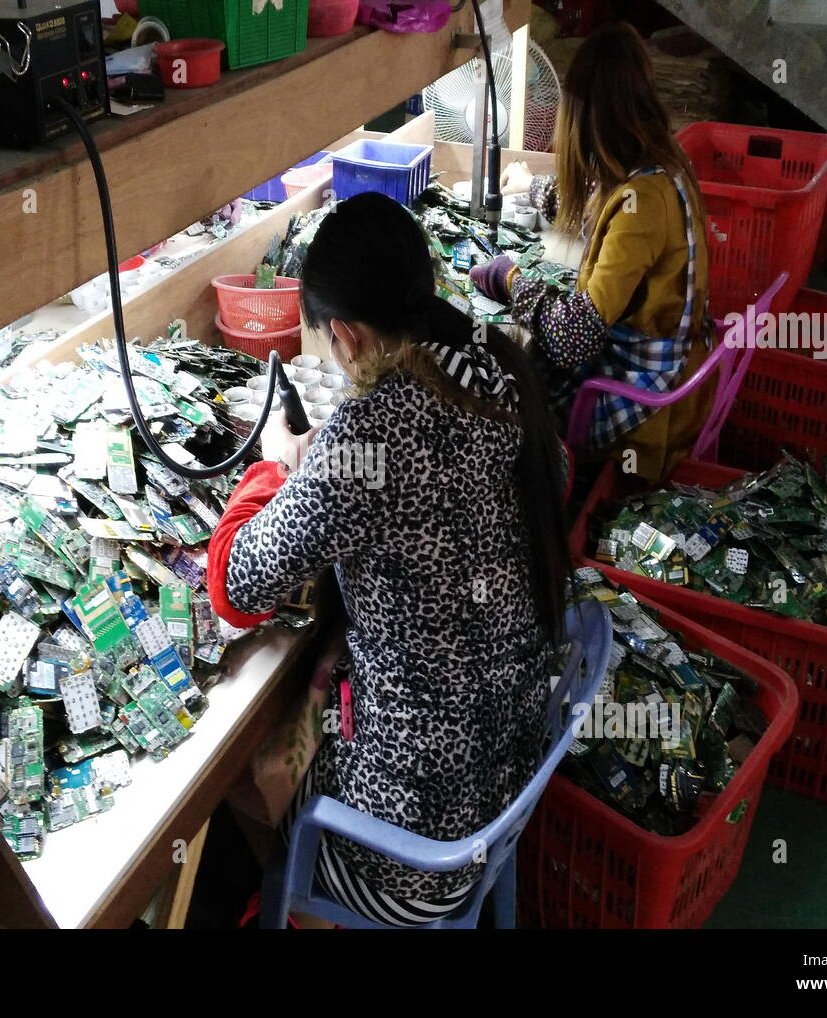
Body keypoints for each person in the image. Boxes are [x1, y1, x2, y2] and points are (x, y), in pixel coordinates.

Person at [207, 192, 571, 927]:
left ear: (343, 336)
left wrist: (275, 467)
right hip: (509, 791)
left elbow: (234, 588)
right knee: (326, 684)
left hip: (415, 858)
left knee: (242, 790)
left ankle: (295, 906)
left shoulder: (371, 436)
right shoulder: (495, 363)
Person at [471, 21, 713, 482]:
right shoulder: (663, 166)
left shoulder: (644, 206)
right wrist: (534, 187)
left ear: (584, 119)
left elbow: (572, 339)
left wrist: (511, 280)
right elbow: (605, 215)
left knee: (507, 398)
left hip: (640, 392)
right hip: (678, 362)